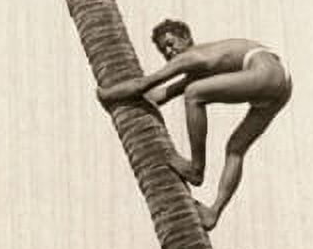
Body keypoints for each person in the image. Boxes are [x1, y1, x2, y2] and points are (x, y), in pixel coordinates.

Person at [97, 19, 293, 231]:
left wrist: (106, 94)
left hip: (264, 71)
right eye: (164, 49)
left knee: (194, 93)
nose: (169, 51)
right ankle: (213, 213)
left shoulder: (192, 57)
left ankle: (196, 168)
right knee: (235, 148)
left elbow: (144, 84)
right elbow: (159, 95)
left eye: (171, 43)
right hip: (280, 85)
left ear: (186, 38)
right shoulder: (200, 66)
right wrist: (128, 98)